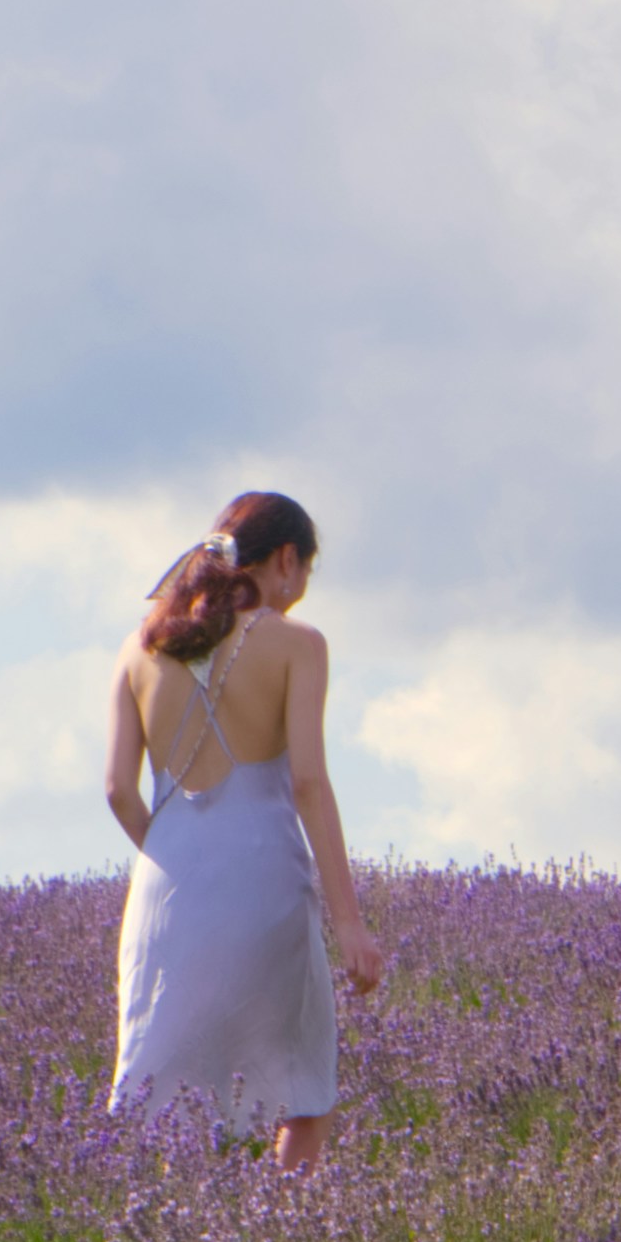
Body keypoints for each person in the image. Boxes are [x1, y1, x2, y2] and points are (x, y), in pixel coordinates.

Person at [102, 490, 389, 1169]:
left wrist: (182, 859)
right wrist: (349, 923)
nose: (299, 594)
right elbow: (309, 783)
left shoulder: (139, 648)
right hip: (265, 885)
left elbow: (116, 791)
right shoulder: (299, 645)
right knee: (305, 1093)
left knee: (157, 1093)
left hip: (165, 895)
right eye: (305, 575)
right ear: (285, 561)